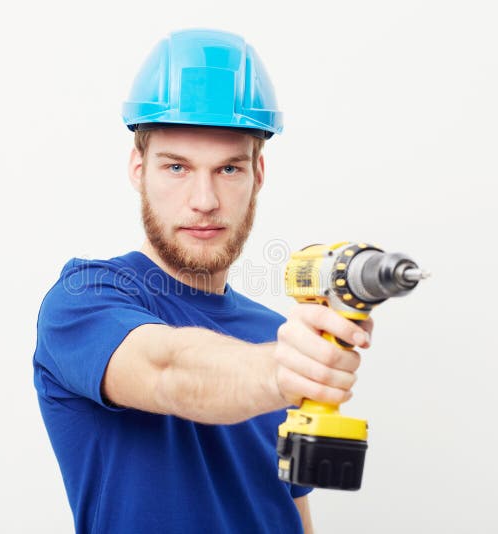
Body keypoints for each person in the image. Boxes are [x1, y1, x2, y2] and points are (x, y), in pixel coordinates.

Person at [33, 29, 372, 534]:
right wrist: (282, 373)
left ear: (259, 173)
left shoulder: (277, 334)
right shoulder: (84, 301)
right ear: (138, 168)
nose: (204, 200)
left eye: (229, 169)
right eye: (177, 167)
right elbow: (166, 370)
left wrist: (287, 365)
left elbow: (292, 512)